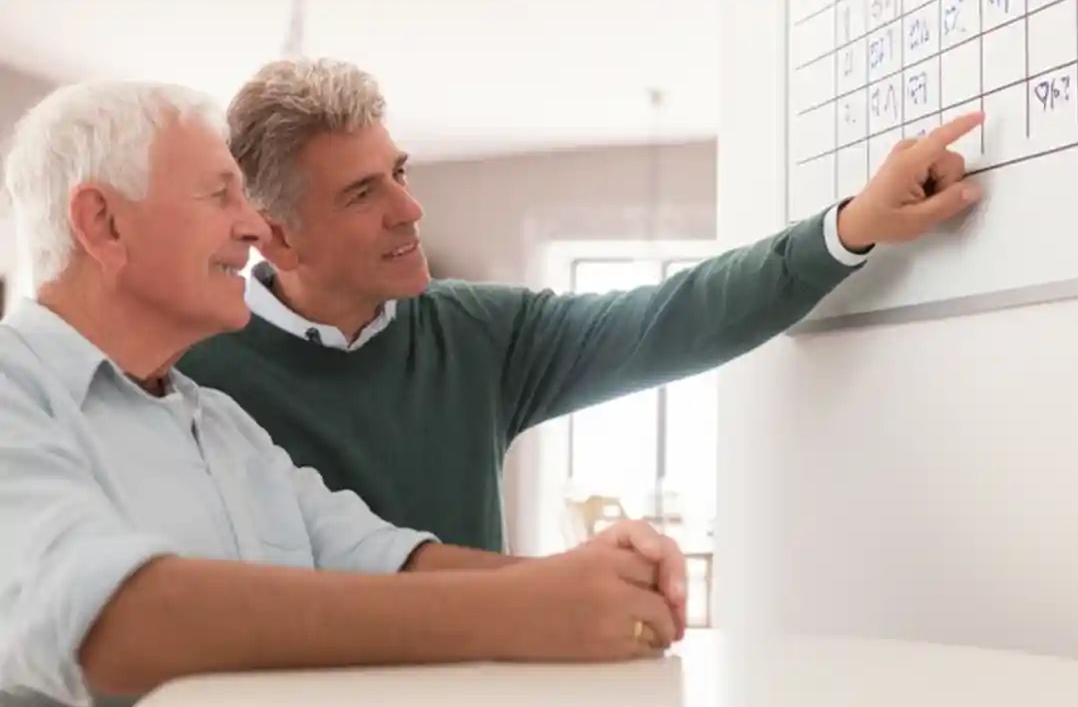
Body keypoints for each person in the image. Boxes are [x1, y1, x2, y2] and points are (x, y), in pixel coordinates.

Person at [0, 81, 688, 707]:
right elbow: (115, 622)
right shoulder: (14, 391)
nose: (253, 227)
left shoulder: (216, 423)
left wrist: (591, 581)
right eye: (220, 196)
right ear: (104, 225)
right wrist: (529, 609)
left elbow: (385, 560)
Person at [176, 58, 984, 554]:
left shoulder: (480, 334)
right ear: (276, 239)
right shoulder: (186, 372)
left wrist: (848, 230)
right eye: (364, 192)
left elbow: (676, 315)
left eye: (402, 171)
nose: (409, 210)